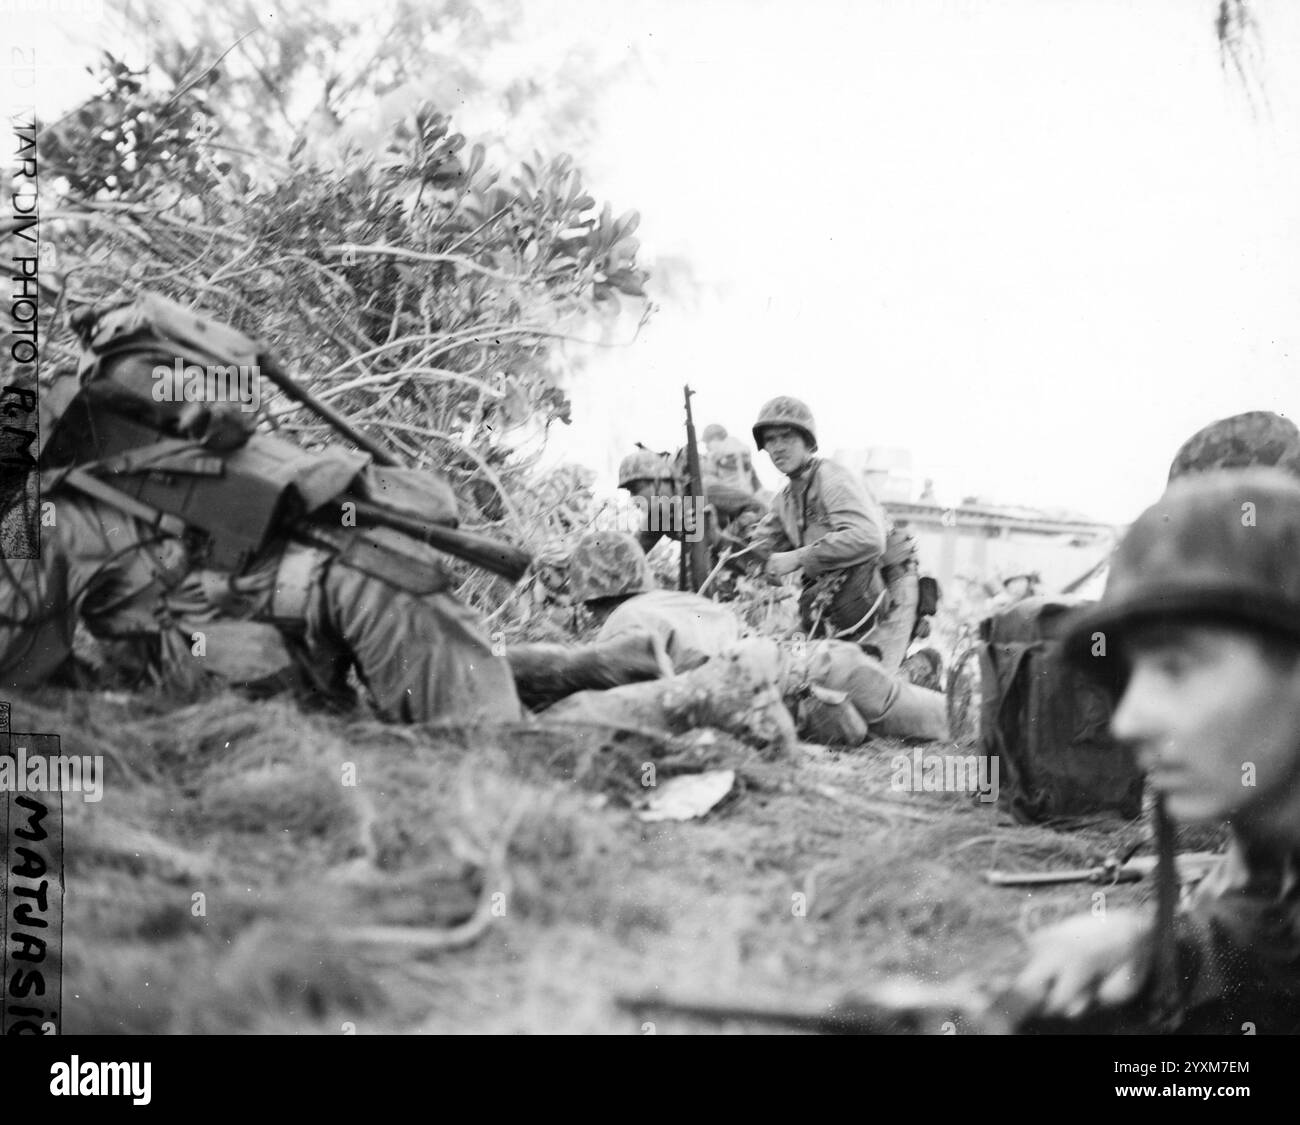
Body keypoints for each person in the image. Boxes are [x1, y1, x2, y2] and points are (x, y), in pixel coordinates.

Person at [1012, 467, 1300, 1033]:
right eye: (1129, 675)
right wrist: (1159, 946)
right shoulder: (1271, 824)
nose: (1126, 720)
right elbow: (1277, 930)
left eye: (1176, 666)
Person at [554, 530, 947, 744]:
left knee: (965, 724)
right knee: (949, 720)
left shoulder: (623, 625)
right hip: (820, 666)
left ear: (586, 596)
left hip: (813, 684)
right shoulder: (677, 600)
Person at [748, 396, 919, 672]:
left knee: (871, 684)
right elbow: (756, 549)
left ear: (807, 441)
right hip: (837, 599)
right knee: (791, 663)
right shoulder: (785, 499)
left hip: (888, 587)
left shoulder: (832, 477)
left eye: (787, 437)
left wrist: (798, 557)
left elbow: (868, 538)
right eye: (770, 440)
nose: (778, 447)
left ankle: (919, 672)